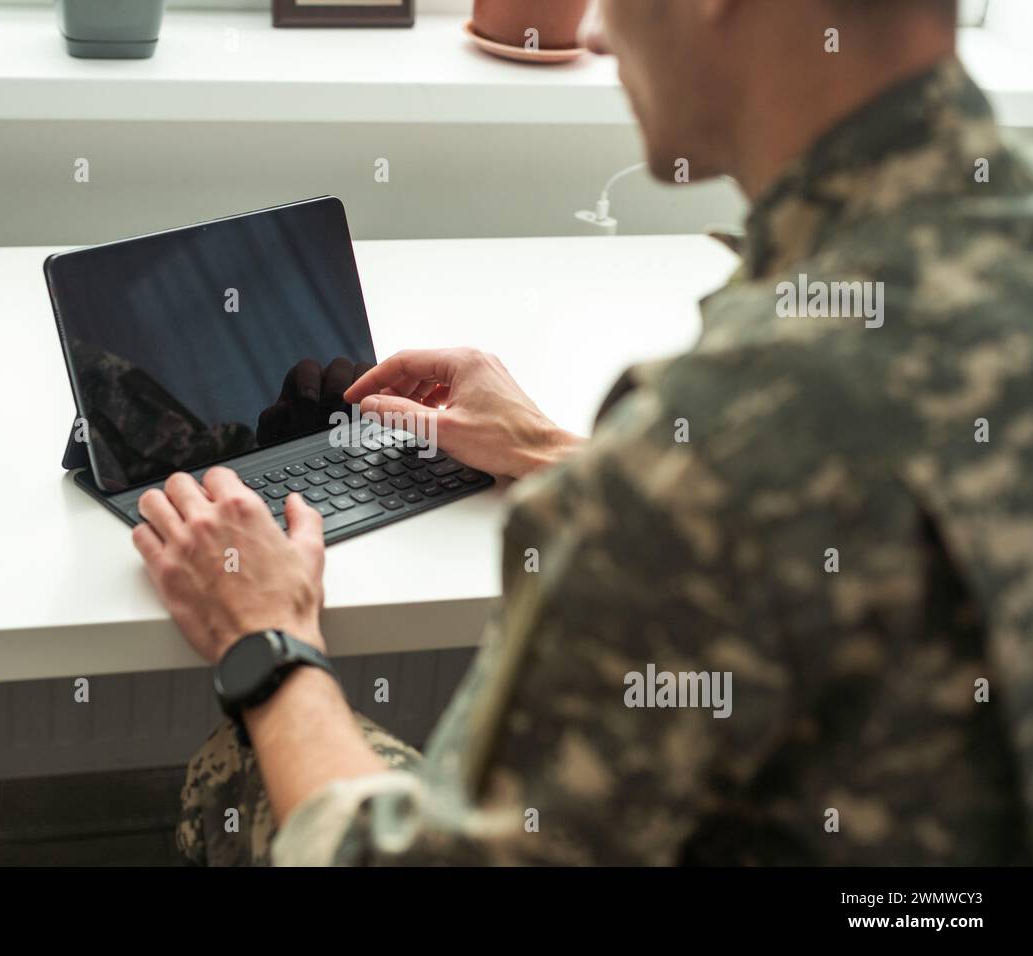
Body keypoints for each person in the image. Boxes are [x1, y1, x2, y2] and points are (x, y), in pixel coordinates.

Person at [131, 0, 1033, 865]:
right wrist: (551, 451)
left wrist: (270, 641)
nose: (596, 33)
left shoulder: (707, 454)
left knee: (237, 770)